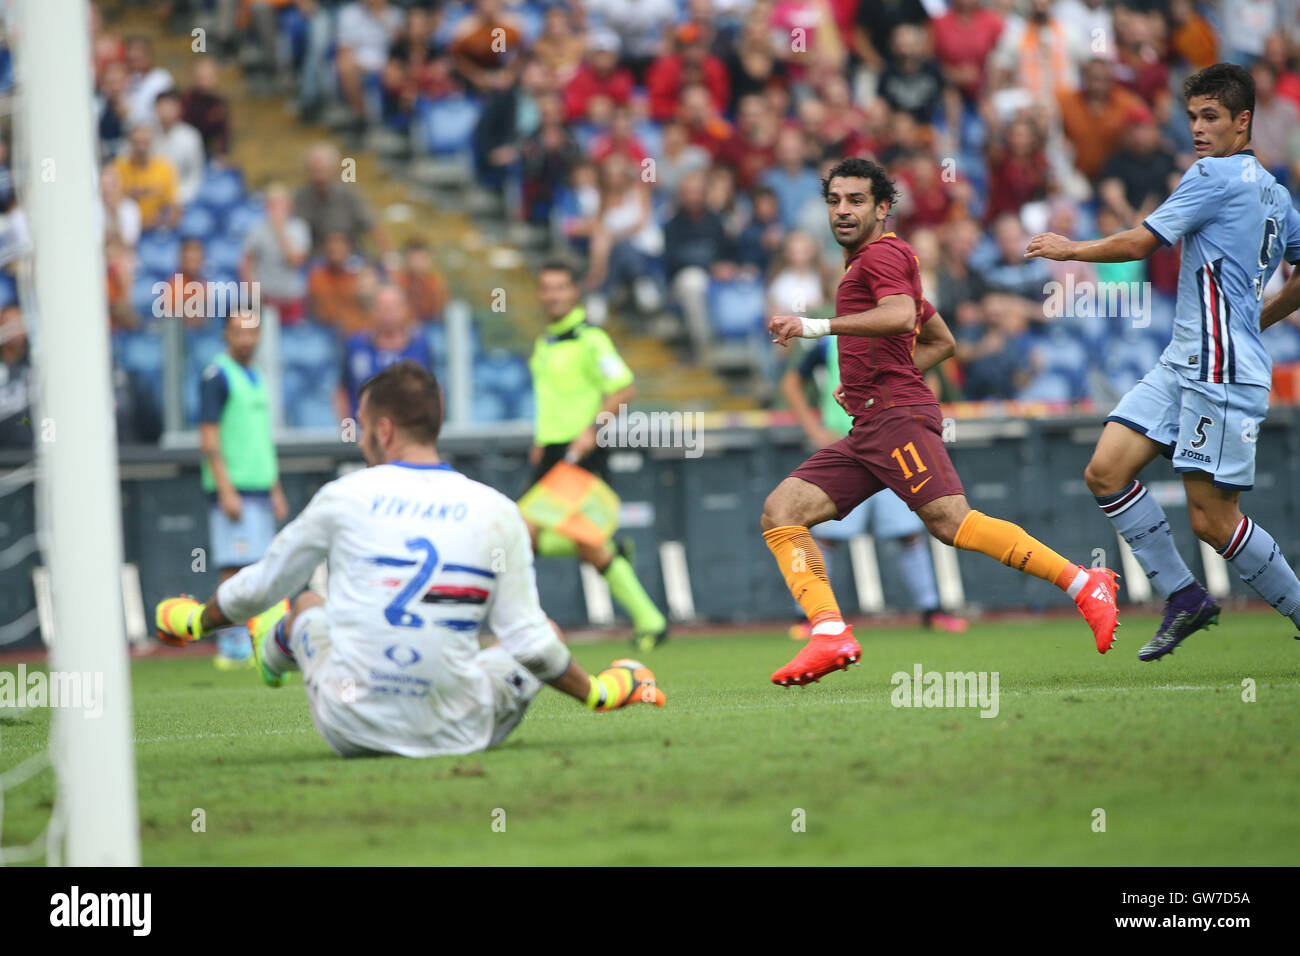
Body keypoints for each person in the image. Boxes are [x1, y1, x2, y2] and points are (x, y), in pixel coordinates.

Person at [155, 361, 665, 759]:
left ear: (382, 429)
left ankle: (272, 650)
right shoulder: (499, 510)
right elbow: (531, 643)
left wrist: (197, 621)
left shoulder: (343, 495)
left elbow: (259, 586)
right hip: (463, 730)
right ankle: (617, 683)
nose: (355, 438)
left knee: (307, 602)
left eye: (359, 427)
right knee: (544, 631)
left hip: (352, 725)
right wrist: (598, 692)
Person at [762, 158, 1119, 687]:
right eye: (835, 200)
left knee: (952, 523)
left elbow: (902, 317)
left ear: (882, 209)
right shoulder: (875, 262)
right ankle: (830, 632)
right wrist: (867, 377)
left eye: (856, 200)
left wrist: (816, 327)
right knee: (781, 511)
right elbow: (941, 341)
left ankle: (1084, 582)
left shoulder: (883, 253)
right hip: (869, 423)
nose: (843, 209)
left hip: (896, 418)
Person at [1026, 63, 1300, 659]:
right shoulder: (1277, 194)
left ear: (1242, 121)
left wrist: (1068, 247)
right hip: (1184, 361)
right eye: (1193, 117)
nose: (1198, 129)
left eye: (1211, 117)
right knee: (1105, 471)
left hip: (1219, 374)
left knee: (1212, 520)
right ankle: (1184, 596)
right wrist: (1258, 319)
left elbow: (1140, 242)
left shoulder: (1211, 175)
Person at [781, 300, 970, 637]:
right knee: (826, 535)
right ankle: (805, 616)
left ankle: (931, 609)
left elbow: (931, 377)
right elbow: (791, 383)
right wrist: (814, 431)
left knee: (910, 531)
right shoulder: (829, 338)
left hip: (892, 442)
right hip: (848, 445)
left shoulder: (894, 333)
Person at [526, 261, 669, 652]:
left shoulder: (592, 340)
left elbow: (623, 389)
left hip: (579, 452)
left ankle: (520, 630)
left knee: (519, 532)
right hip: (551, 451)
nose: (553, 295)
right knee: (584, 542)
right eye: (547, 287)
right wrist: (540, 439)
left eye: (560, 287)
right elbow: (552, 400)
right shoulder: (545, 343)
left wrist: (591, 431)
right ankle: (649, 616)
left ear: (574, 293)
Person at [198, 310, 289, 669]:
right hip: (234, 488)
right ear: (226, 334)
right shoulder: (216, 376)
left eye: (252, 332)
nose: (246, 339)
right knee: (233, 567)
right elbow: (208, 437)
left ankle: (253, 637)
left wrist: (275, 487)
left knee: (258, 566)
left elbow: (259, 440)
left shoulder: (256, 377)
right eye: (238, 332)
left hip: (259, 489)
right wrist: (224, 488)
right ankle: (230, 642)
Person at [335, 284, 430, 423]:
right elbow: (342, 392)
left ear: (404, 310)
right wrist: (347, 435)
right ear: (373, 310)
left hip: (407, 435)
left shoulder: (420, 347)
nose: (388, 313)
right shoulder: (355, 346)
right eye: (383, 307)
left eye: (393, 307)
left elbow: (433, 392)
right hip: (364, 435)